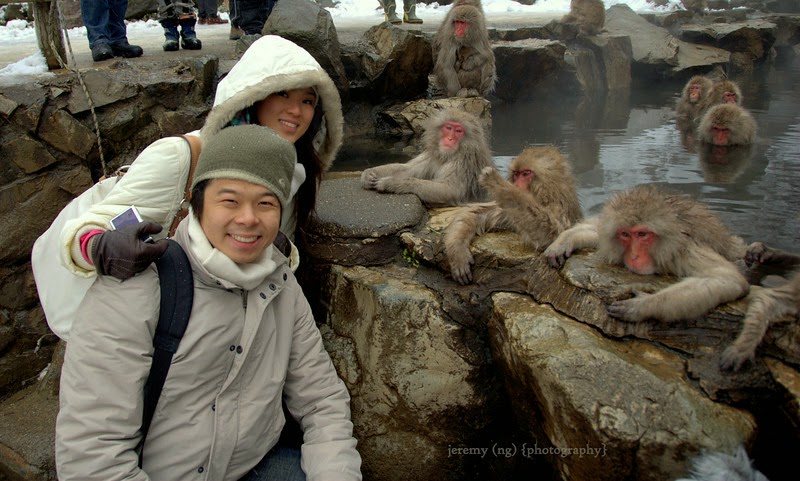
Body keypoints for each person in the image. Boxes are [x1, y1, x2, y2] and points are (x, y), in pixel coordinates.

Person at [55, 125, 363, 481]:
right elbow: (93, 455)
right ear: (196, 204)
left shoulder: (281, 283)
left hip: (256, 463)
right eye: (229, 201)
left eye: (266, 203)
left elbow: (321, 400)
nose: (248, 218)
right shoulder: (137, 288)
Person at [57, 35, 343, 288]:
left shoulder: (293, 173)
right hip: (154, 314)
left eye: (307, 101)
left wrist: (282, 253)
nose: (296, 111)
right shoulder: (180, 157)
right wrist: (99, 248)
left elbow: (277, 259)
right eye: (282, 93)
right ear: (252, 96)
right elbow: (87, 230)